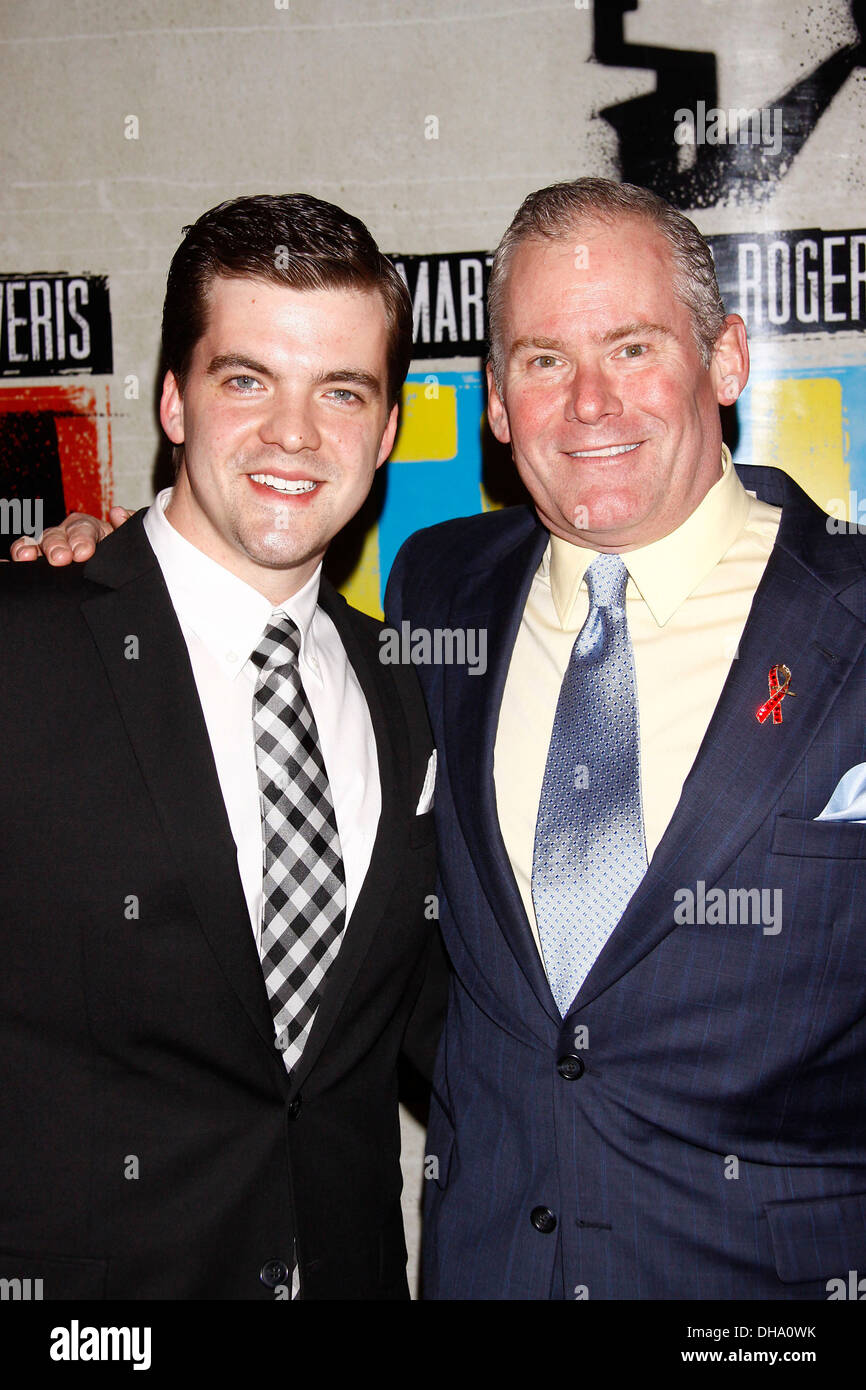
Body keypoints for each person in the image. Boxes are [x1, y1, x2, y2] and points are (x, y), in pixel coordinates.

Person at [20, 178, 866, 1301]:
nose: (588, 405)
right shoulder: (444, 605)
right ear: (494, 404)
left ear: (723, 359)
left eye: (629, 347)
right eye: (542, 359)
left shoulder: (396, 653)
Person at [0, 193, 445, 1300]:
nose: (292, 434)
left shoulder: (414, 686)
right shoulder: (24, 643)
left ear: (385, 429)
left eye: (338, 391)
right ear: (173, 403)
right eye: (246, 379)